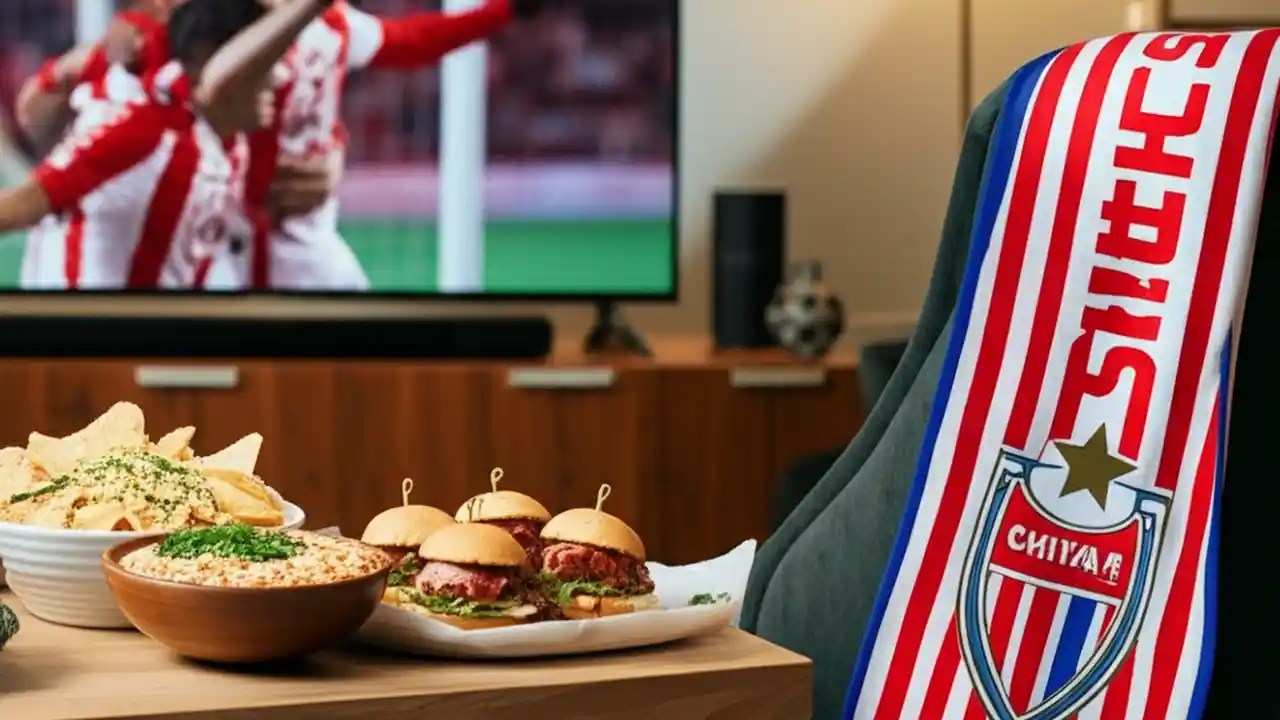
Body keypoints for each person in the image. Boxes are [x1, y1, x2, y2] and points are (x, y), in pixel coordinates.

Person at [0, 0, 336, 290]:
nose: (278, 76)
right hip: (81, 342)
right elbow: (22, 205)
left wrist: (329, 163)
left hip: (159, 333)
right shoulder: (146, 128)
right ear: (210, 57)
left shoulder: (231, 142)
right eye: (262, 62)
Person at [249, 0, 547, 291]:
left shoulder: (332, 23)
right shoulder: (231, 22)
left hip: (302, 238)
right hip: (238, 229)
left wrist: (503, 10)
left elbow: (411, 40)